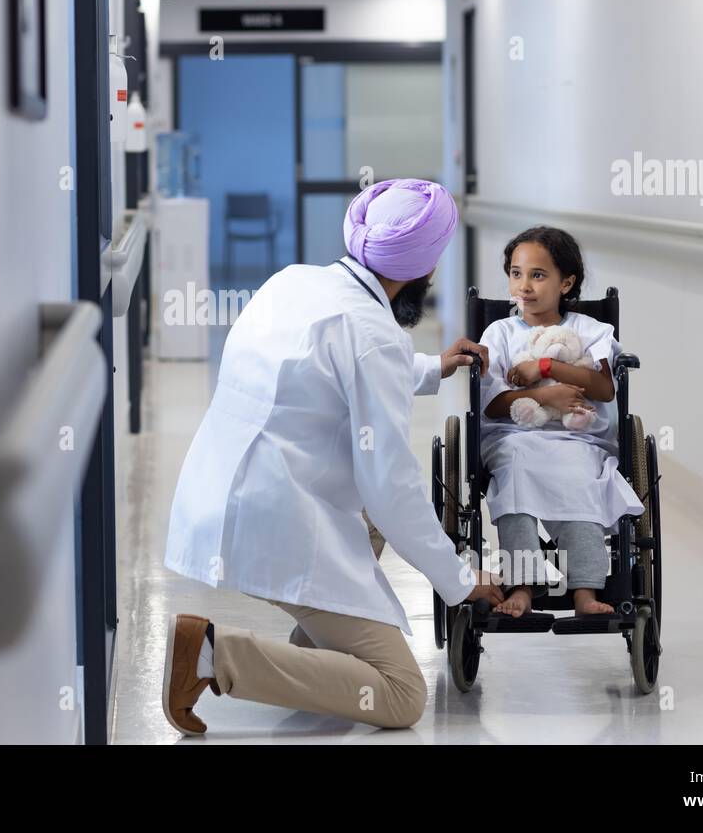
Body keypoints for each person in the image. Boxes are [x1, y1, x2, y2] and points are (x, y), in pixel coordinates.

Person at [161, 178, 503, 735]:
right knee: (399, 695)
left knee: (367, 529)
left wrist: (430, 366)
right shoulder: (373, 335)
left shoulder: (294, 282)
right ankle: (209, 655)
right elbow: (393, 491)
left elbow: (332, 364)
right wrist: (461, 581)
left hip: (221, 495)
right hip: (275, 521)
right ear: (421, 271)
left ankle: (319, 652)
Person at [479, 226, 644, 618]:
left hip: (579, 441)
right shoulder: (499, 333)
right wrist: (542, 395)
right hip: (514, 436)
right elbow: (493, 403)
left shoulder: (590, 330)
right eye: (516, 273)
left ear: (566, 282)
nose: (524, 286)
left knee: (581, 476)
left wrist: (550, 367)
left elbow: (604, 388)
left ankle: (585, 589)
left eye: (538, 275)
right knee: (515, 471)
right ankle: (522, 584)